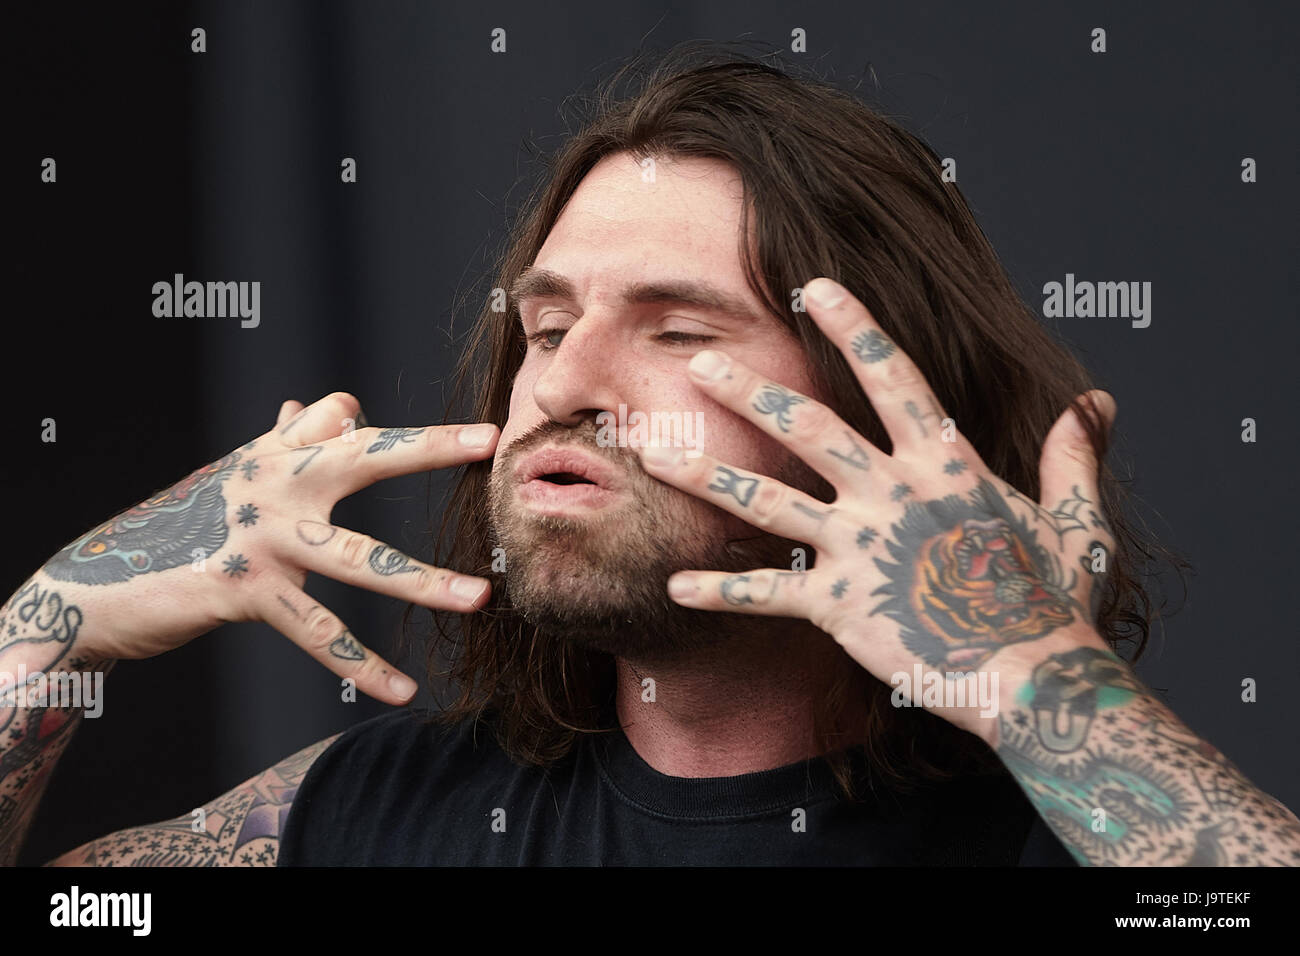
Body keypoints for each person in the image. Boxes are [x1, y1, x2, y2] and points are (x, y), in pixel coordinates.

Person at [4, 47, 1296, 867]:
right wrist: (49, 629)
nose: (562, 384)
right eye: (547, 326)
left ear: (893, 412)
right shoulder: (361, 822)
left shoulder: (1068, 831)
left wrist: (1036, 684)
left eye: (677, 330)